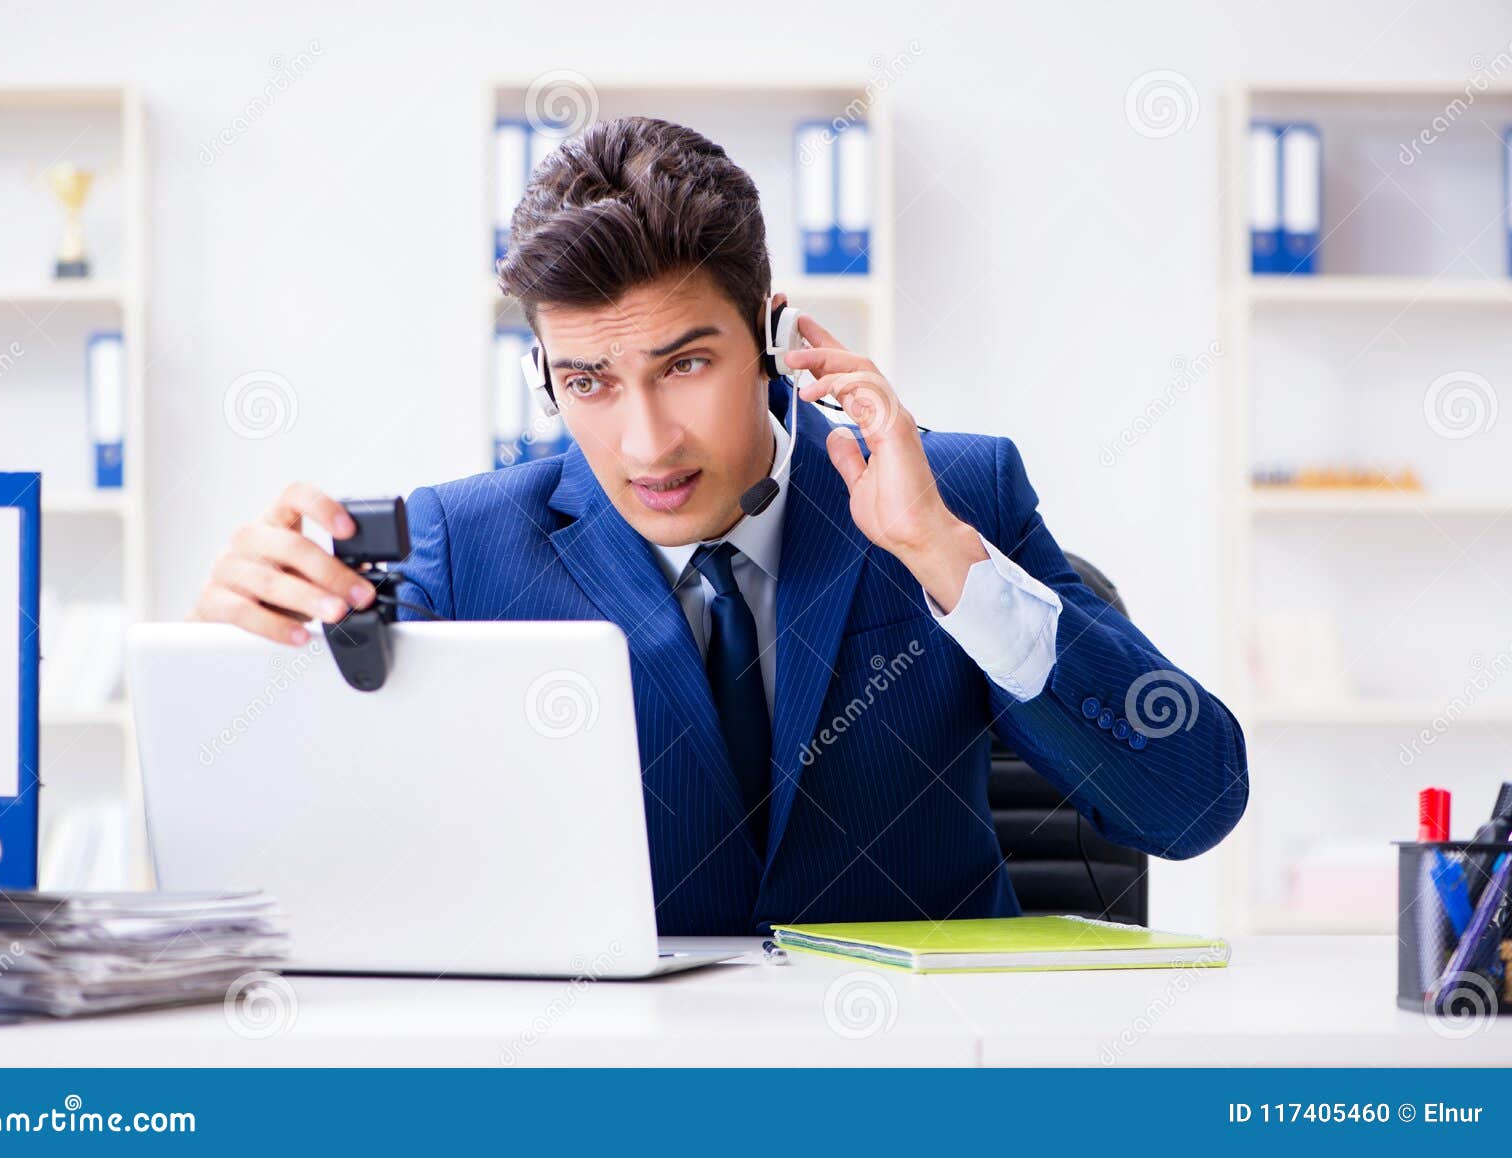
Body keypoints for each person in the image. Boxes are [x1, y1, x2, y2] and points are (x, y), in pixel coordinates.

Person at [193, 117, 1248, 935]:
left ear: (774, 338)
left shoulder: (955, 490)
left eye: (685, 365)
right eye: (588, 381)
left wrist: (946, 560)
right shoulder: (461, 550)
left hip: (920, 1070)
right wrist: (246, 668)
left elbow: (1189, 804)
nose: (646, 443)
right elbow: (296, 867)